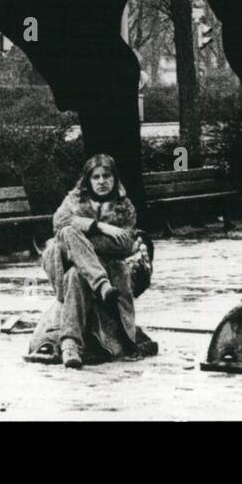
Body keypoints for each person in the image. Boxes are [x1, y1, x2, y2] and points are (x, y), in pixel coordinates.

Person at [25, 153, 157, 368]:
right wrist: (99, 227)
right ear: (88, 180)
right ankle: (101, 284)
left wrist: (83, 241)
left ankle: (69, 345)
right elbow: (59, 224)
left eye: (107, 176)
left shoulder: (124, 206)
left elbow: (124, 244)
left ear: (114, 179)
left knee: (77, 272)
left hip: (104, 271)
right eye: (96, 177)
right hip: (65, 271)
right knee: (68, 232)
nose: (102, 181)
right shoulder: (74, 201)